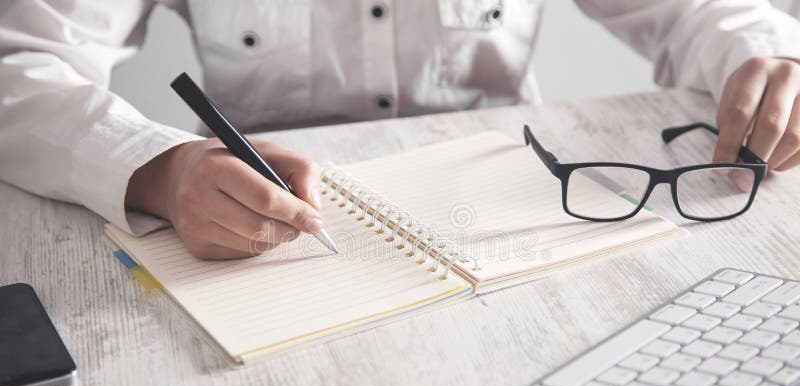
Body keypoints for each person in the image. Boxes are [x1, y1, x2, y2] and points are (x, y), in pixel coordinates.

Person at [1, 1, 799, 259]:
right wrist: (159, 165)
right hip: (263, 234)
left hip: (520, 220)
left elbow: (699, 10)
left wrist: (767, 58)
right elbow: (21, 58)